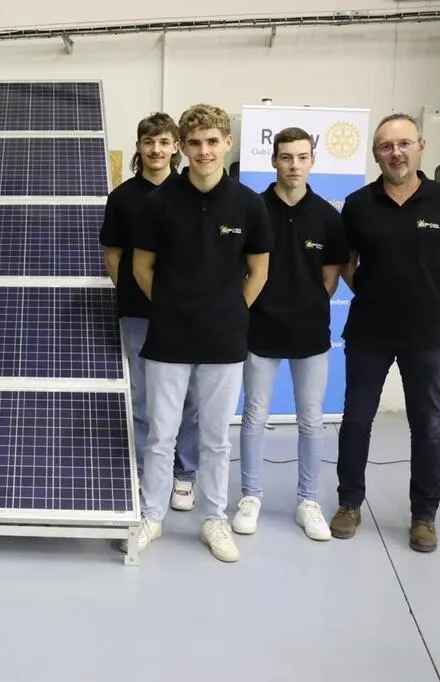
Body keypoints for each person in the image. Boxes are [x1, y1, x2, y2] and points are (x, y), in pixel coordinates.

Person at [131, 103, 273, 563]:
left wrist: (229, 311)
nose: (204, 151)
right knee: (161, 434)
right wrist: (174, 308)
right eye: (195, 143)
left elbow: (259, 271)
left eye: (213, 142)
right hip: (168, 339)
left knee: (215, 438)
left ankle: (214, 518)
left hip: (224, 341)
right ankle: (151, 516)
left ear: (227, 143)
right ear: (183, 148)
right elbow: (141, 267)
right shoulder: (159, 203)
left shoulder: (249, 204)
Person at [330, 113, 440, 553]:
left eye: (403, 144)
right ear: (376, 154)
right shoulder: (358, 204)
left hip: (427, 335)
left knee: (427, 425)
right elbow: (346, 263)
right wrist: (372, 294)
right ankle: (349, 504)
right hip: (369, 332)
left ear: (420, 146)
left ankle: (424, 516)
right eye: (385, 146)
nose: (395, 152)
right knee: (356, 420)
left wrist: (435, 297)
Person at [232, 127, 348, 542]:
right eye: (286, 157)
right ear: (274, 160)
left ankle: (308, 500)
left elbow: (330, 278)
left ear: (312, 160)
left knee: (311, 420)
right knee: (254, 416)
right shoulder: (253, 208)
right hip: (260, 330)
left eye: (302, 157)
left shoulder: (328, 216)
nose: (294, 165)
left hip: (310, 334)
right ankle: (250, 496)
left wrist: (306, 302)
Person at [99, 112, 200, 528]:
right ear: (139, 148)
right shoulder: (122, 198)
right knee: (142, 397)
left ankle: (184, 474)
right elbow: (113, 256)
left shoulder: (193, 192)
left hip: (189, 315)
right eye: (148, 142)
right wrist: (136, 293)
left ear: (176, 146)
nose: (156, 149)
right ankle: (143, 472)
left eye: (163, 142)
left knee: (190, 399)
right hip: (139, 314)